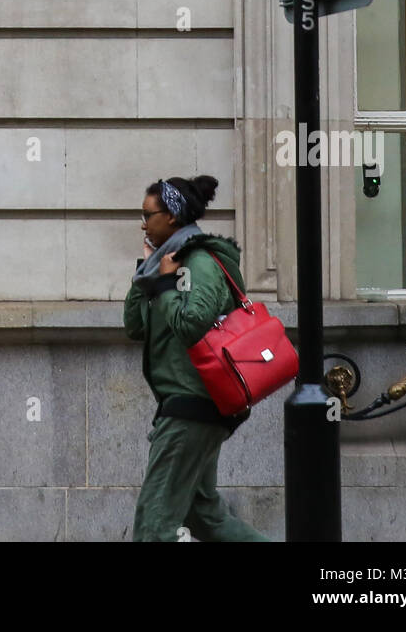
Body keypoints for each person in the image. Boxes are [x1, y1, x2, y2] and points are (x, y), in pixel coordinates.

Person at [124, 174, 271, 543]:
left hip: (194, 404)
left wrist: (166, 284)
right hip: (185, 400)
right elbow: (135, 328)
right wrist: (145, 277)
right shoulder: (168, 265)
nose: (143, 223)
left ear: (171, 216)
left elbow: (191, 325)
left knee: (153, 524)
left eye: (148, 214)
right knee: (205, 516)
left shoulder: (201, 262)